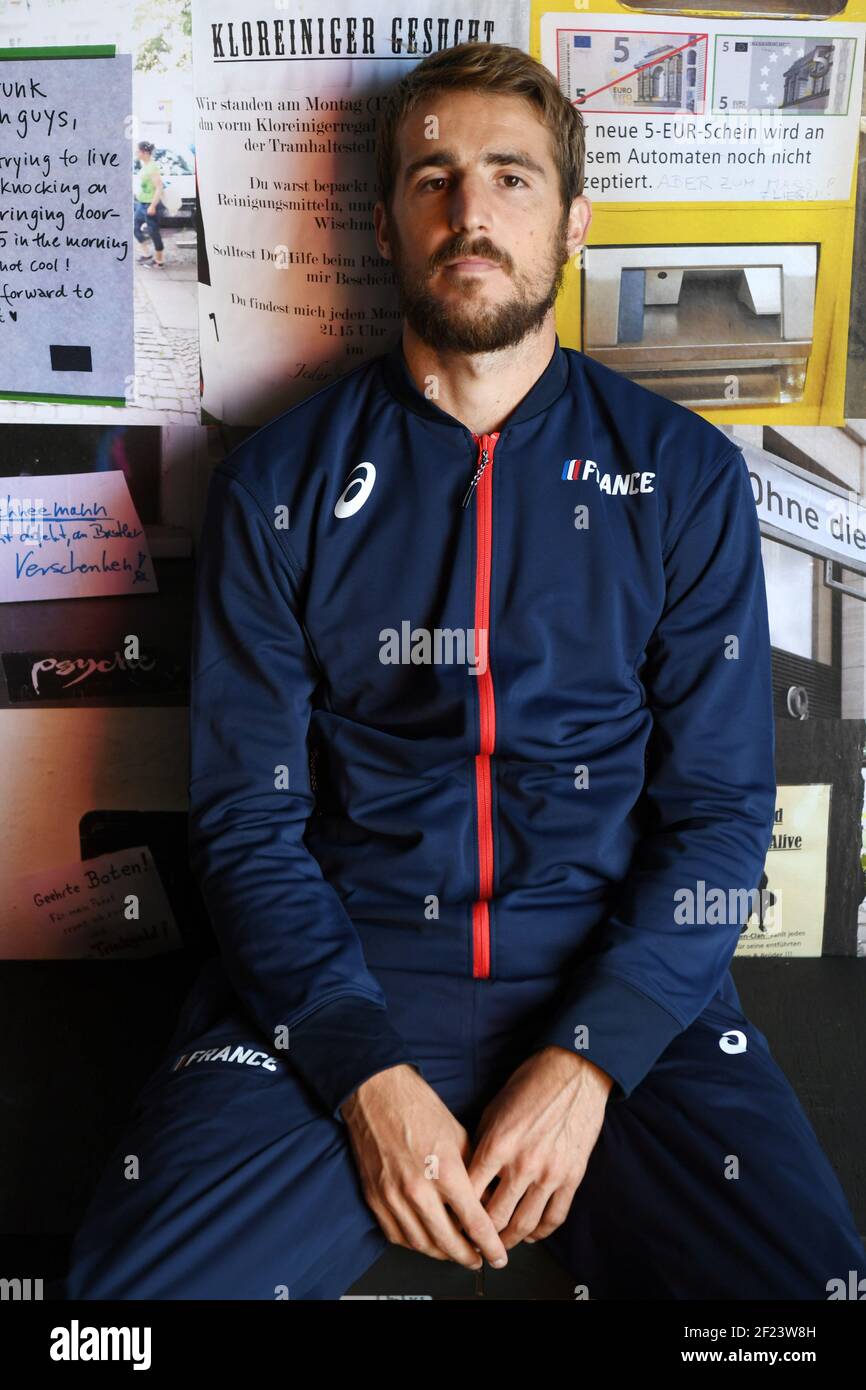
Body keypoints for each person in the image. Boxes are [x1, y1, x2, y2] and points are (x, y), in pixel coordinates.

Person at [65, 41, 866, 1301]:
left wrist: (588, 1060)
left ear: (573, 222)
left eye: (510, 176)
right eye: (432, 179)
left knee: (807, 1302)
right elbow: (246, 823)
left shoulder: (682, 476)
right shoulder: (275, 485)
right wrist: (364, 1077)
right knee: (119, 1318)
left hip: (612, 982)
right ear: (386, 224)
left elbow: (718, 815)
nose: (469, 212)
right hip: (343, 982)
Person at [133, 141, 166, 268]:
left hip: (150, 205)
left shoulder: (152, 167)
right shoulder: (145, 165)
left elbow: (159, 187)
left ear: (144, 152)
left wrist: (152, 206)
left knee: (154, 233)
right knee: (135, 229)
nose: (136, 153)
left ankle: (159, 261)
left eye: (138, 151)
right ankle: (146, 254)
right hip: (141, 204)